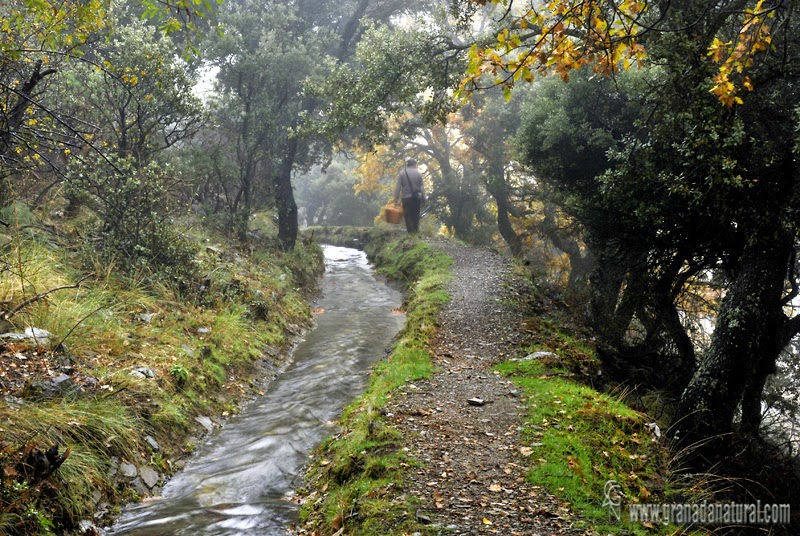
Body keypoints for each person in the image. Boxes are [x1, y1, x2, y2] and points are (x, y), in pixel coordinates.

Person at [393, 158, 425, 233]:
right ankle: (415, 232)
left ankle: (410, 233)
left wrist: (395, 199)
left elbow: (398, 187)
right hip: (416, 198)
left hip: (406, 198)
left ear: (407, 164)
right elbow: (422, 187)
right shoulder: (418, 173)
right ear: (414, 164)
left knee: (407, 216)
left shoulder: (402, 173)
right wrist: (424, 198)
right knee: (416, 216)